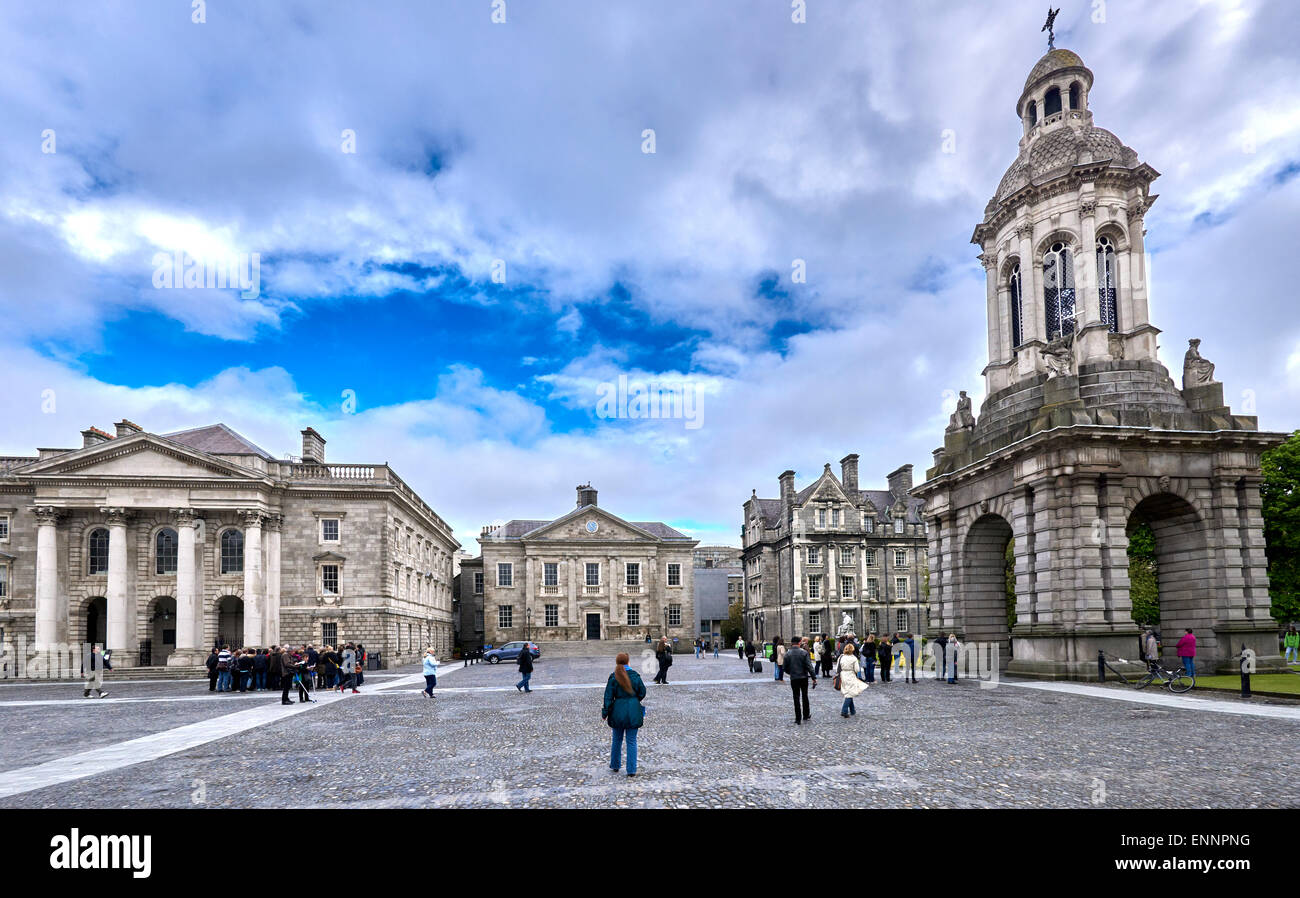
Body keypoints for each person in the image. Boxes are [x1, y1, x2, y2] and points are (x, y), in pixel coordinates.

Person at [602, 652, 647, 776]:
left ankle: (615, 765)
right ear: (628, 662)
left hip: (617, 711)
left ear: (617, 662)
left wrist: (605, 712)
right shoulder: (635, 676)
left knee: (617, 739)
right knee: (631, 741)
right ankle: (631, 770)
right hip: (633, 710)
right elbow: (642, 692)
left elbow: (608, 697)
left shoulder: (613, 676)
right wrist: (634, 700)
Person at [784, 637, 815, 725]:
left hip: (794, 677)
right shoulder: (804, 653)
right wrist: (814, 677)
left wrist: (791, 672)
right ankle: (805, 715)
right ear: (799, 642)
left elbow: (785, 667)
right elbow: (809, 666)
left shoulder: (788, 654)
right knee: (805, 696)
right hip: (803, 677)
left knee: (796, 697)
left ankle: (798, 718)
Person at [836, 643, 867, 717]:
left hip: (843, 675)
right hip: (850, 675)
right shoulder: (853, 658)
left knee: (849, 692)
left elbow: (838, 667)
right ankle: (844, 711)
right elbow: (856, 669)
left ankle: (853, 710)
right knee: (850, 693)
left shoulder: (841, 657)